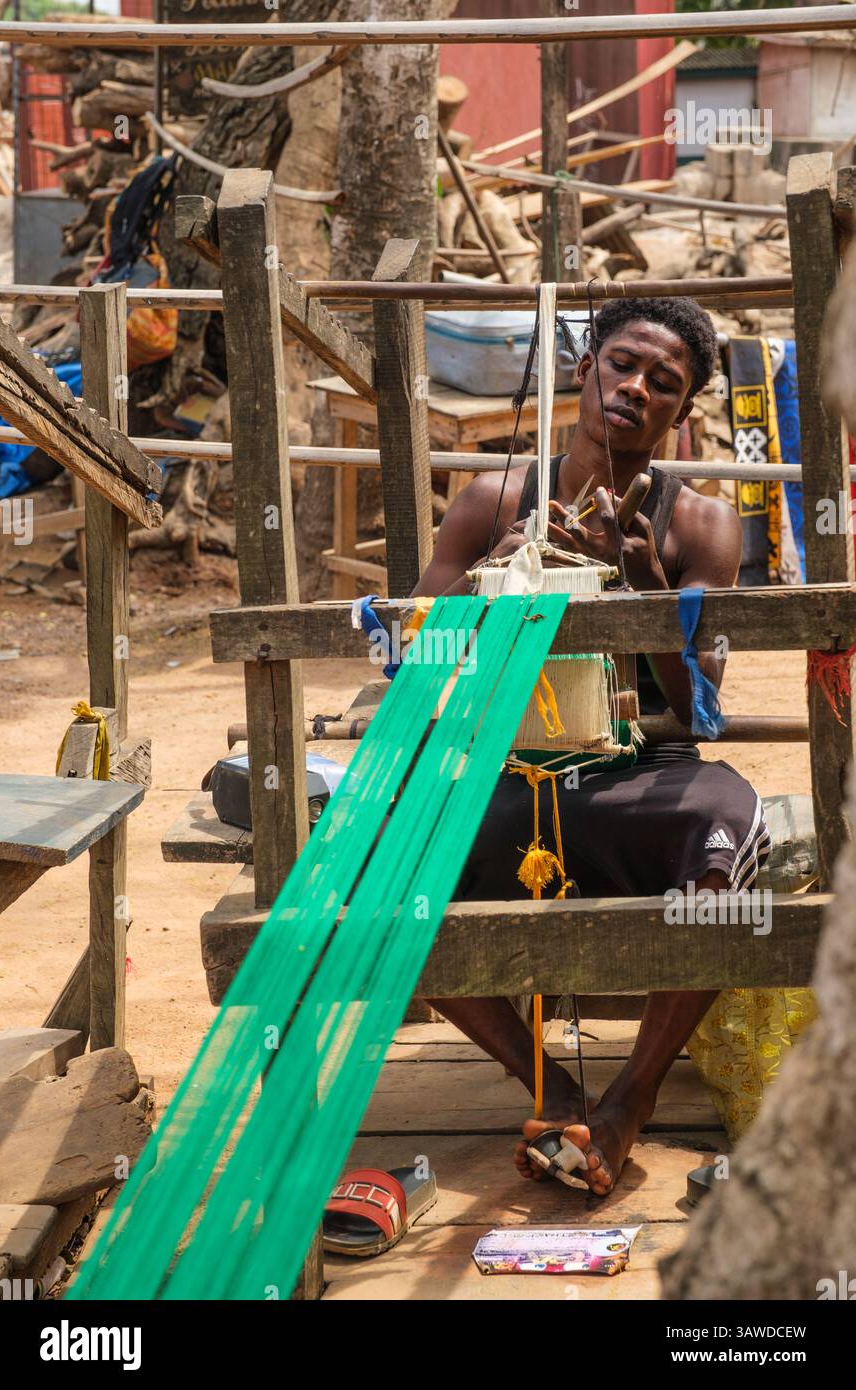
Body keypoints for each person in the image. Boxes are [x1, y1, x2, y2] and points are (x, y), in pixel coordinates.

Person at [412, 296, 770, 1197]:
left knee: (730, 822)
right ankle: (554, 1086)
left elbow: (696, 714)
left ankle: (631, 1100)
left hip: (643, 781)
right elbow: (410, 664)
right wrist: (504, 584)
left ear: (679, 416)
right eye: (622, 366)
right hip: (509, 776)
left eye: (663, 384)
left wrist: (645, 583)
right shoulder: (495, 503)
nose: (635, 390)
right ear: (585, 370)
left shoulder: (702, 528)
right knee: (375, 852)